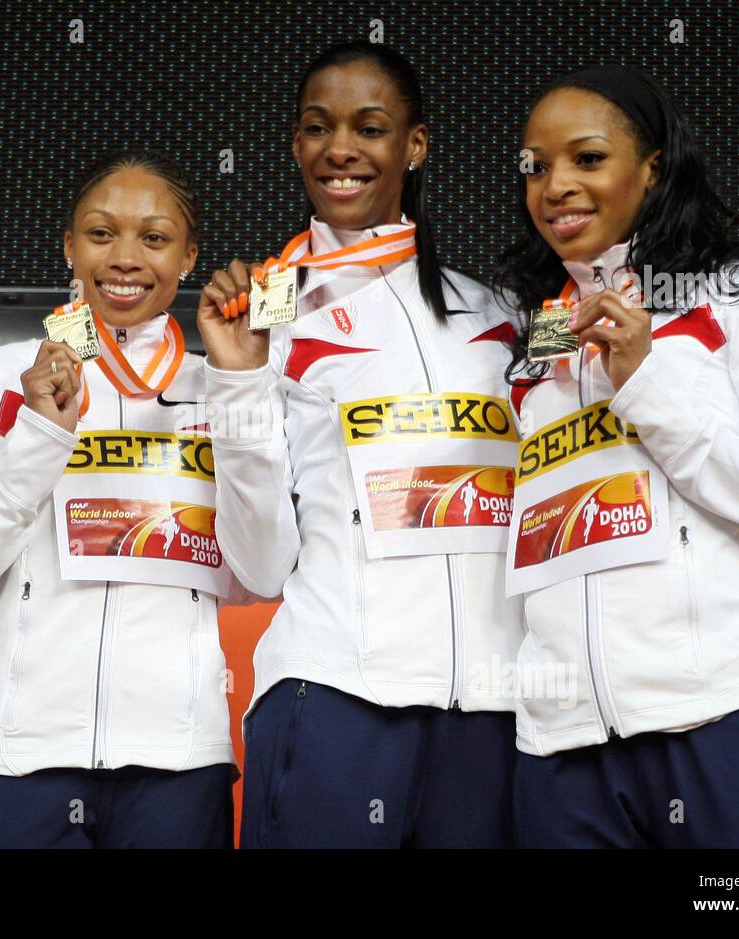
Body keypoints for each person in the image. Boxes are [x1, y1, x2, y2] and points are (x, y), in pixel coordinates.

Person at [495, 65, 739, 847]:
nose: (556, 185)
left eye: (588, 158)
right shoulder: (535, 335)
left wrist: (648, 387)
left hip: (724, 721)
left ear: (653, 168)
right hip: (561, 752)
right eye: (536, 165)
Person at [198, 41, 523, 848]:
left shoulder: (497, 316)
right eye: (318, 127)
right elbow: (260, 565)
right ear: (295, 144)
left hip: (494, 710)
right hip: (335, 693)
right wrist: (237, 380)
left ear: (415, 145)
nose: (339, 148)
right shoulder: (265, 317)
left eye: (369, 128)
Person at [0, 151, 238, 849]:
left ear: (188, 256)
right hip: (21, 759)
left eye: (154, 237)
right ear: (68, 245)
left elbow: (258, 575)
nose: (125, 258)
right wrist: (38, 438)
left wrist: (248, 390)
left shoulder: (223, 390)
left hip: (178, 761)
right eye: (100, 233)